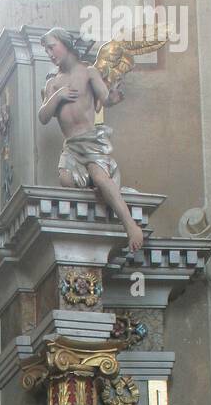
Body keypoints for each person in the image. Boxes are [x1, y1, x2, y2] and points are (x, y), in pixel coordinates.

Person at [38, 27, 144, 254]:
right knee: (66, 180)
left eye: (51, 46)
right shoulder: (53, 84)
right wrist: (58, 97)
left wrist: (114, 97)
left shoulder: (88, 73)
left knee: (99, 175)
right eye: (45, 49)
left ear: (65, 44)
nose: (49, 53)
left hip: (90, 140)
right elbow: (43, 116)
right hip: (71, 146)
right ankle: (102, 200)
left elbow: (105, 99)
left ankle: (130, 225)